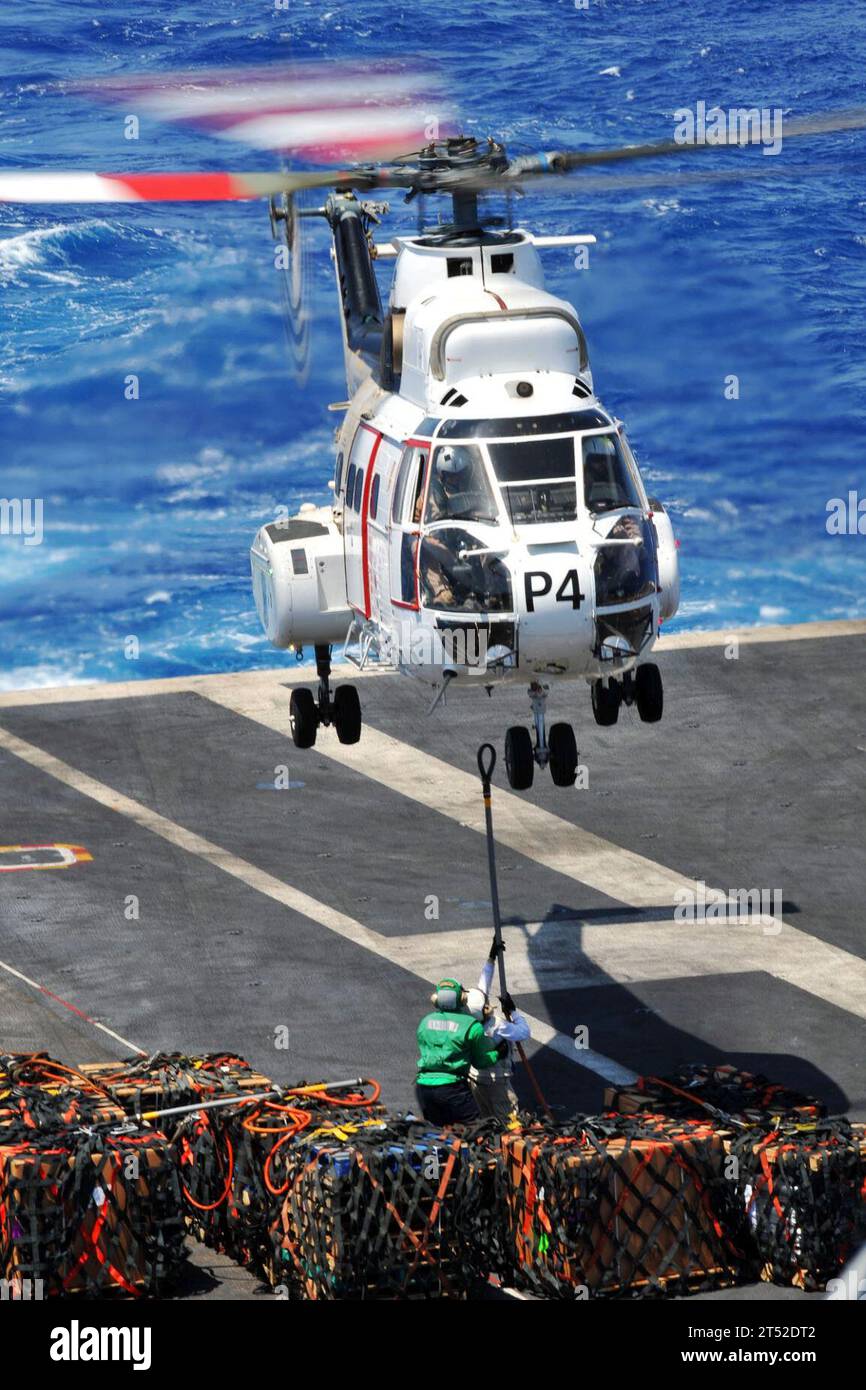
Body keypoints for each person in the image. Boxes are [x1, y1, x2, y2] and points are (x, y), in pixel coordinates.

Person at [415, 977, 509, 1125]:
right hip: (453, 1090)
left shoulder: (425, 1022)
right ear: (462, 999)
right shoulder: (472, 1026)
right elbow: (481, 1062)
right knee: (477, 1131)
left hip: (423, 1088)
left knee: (438, 1134)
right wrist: (497, 1053)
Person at [467, 939, 531, 1124]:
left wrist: (491, 959)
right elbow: (523, 1032)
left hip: (475, 1078)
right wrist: (513, 1011)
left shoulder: (469, 1021)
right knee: (509, 1120)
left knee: (486, 1120)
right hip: (497, 1082)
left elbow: (482, 988)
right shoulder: (496, 1025)